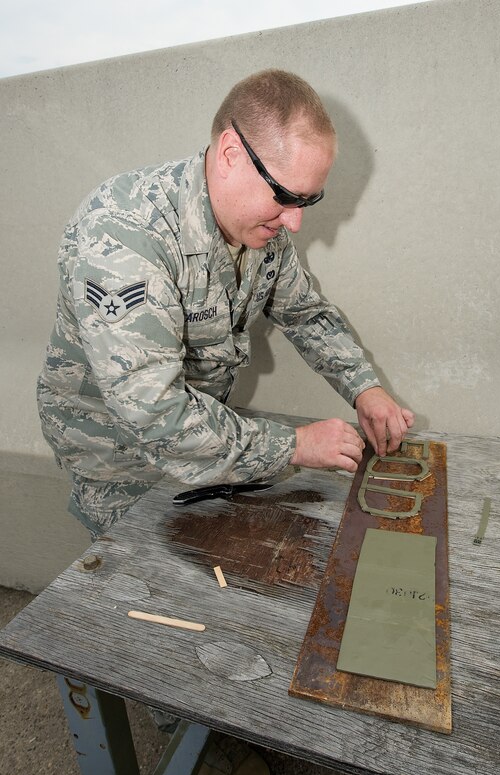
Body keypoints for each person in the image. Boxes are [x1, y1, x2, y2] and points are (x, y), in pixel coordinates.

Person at [37, 68, 414, 540]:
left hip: (207, 434)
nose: (295, 222)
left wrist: (365, 389)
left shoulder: (261, 228)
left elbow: (305, 314)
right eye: (285, 196)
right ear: (232, 154)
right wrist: (294, 445)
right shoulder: (121, 234)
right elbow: (152, 412)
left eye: (308, 201)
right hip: (116, 454)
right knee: (147, 591)